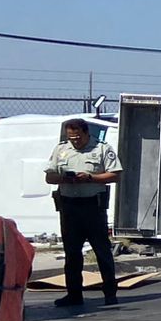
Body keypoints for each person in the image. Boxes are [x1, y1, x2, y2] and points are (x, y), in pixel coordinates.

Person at [44, 118, 122, 308]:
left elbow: (115, 174)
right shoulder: (61, 149)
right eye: (71, 137)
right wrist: (65, 178)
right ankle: (74, 294)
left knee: (101, 250)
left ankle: (110, 292)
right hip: (69, 207)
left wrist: (90, 177)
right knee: (72, 253)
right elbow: (49, 176)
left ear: (87, 133)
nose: (75, 141)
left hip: (93, 207)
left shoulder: (101, 149)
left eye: (78, 137)